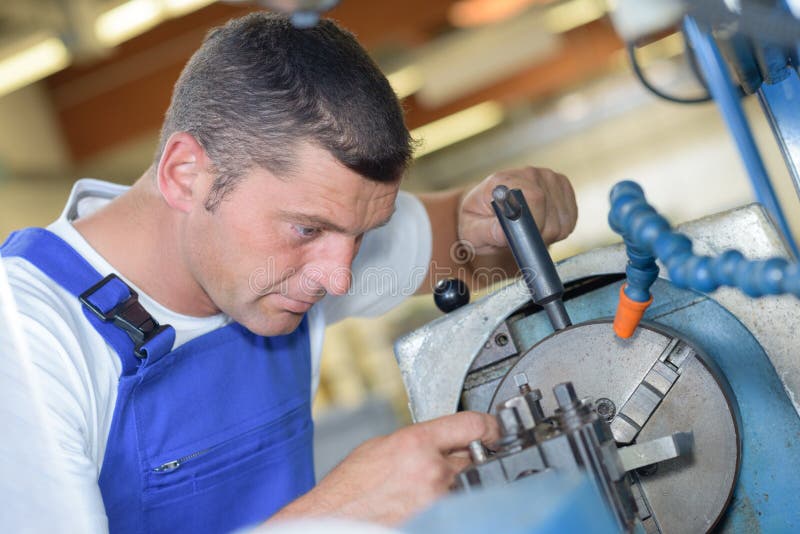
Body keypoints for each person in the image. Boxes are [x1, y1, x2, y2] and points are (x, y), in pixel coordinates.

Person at [1, 11, 577, 534]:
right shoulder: (28, 337)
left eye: (363, 237)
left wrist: (524, 209)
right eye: (306, 229)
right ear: (185, 175)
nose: (340, 279)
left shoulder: (313, 241)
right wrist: (339, 514)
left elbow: (468, 246)